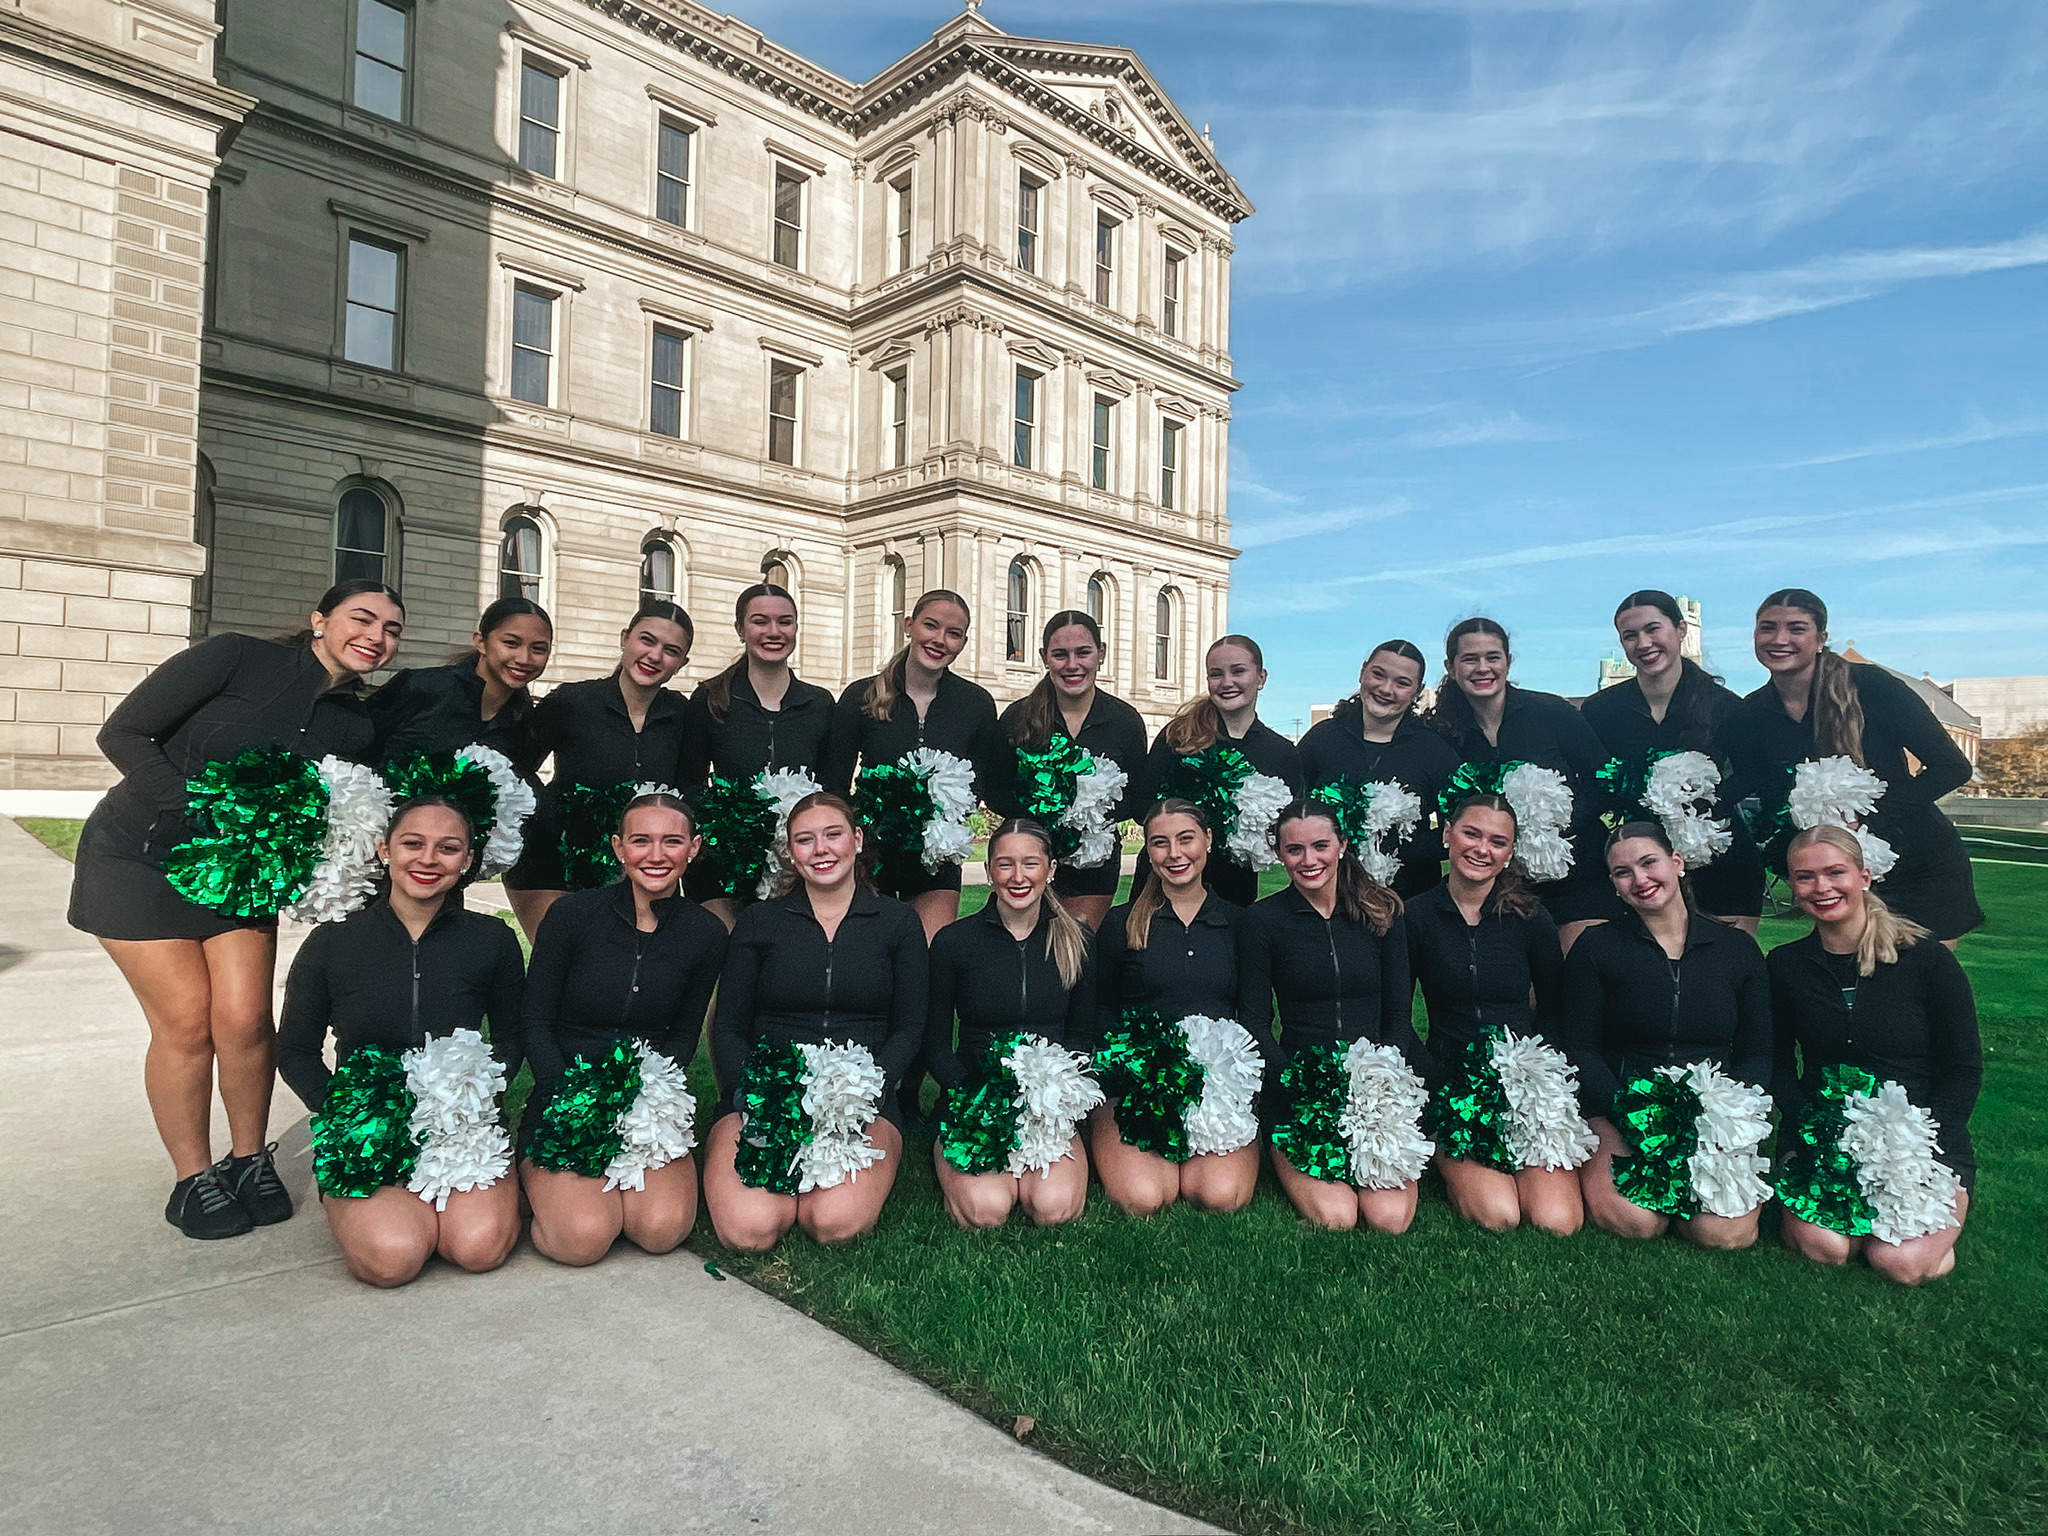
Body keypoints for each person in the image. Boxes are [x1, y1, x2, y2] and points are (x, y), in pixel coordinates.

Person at [69, 578, 404, 1240]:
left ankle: (249, 1158)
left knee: (247, 1020)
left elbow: (343, 807)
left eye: (392, 629)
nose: (376, 636)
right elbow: (126, 734)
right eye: (362, 618)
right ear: (319, 619)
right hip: (139, 861)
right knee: (188, 1023)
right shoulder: (236, 657)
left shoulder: (355, 724)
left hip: (243, 879)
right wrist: (203, 815)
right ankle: (192, 1178)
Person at [277, 797, 526, 1287]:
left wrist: (472, 1102)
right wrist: (345, 1116)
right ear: (384, 849)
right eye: (413, 843)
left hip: (459, 1132)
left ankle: (449, 1202)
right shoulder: (333, 942)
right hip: (366, 1129)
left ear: (468, 860)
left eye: (448, 848)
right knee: (395, 1258)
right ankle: (384, 1208)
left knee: (478, 1247)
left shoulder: (492, 939)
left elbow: (512, 1039)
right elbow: (295, 1051)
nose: (428, 860)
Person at [703, 794, 928, 1250]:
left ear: (857, 840)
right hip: (767, 1096)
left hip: (860, 1101)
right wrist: (756, 1094)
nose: (820, 850)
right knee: (751, 1229)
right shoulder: (758, 922)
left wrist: (869, 1093)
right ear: (789, 852)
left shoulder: (898, 922)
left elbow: (909, 1027)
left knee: (832, 1222)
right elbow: (728, 1027)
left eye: (833, 835)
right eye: (804, 840)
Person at [519, 794, 729, 1265]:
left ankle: (607, 1189)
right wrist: (567, 1094)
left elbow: (682, 1035)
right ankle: (541, 1191)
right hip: (566, 1096)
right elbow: (535, 1021)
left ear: (693, 848)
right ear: (618, 847)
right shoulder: (572, 916)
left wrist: (650, 1102)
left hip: (647, 1105)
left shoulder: (707, 933)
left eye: (671, 841)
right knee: (583, 1238)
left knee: (661, 1230)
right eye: (641, 841)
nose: (656, 855)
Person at [1770, 825, 1980, 1285]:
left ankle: (1926, 1231)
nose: (1822, 887)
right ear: (1793, 886)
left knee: (1898, 1263)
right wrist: (1810, 1129)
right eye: (1805, 877)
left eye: (1835, 872)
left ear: (1864, 876)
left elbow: (1963, 1068)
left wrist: (1927, 1142)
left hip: (1918, 1142)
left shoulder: (1926, 960)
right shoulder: (1784, 965)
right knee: (1827, 1249)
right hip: (1822, 1135)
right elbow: (1778, 1067)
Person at [1720, 588, 1982, 943]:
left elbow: (1952, 767)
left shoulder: (1871, 687)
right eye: (1768, 628)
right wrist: (1689, 805)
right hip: (1832, 876)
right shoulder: (1752, 713)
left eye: (1796, 628)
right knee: (1845, 988)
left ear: (1820, 638)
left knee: (1917, 989)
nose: (1779, 639)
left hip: (1917, 866)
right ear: (1754, 636)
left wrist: (1869, 816)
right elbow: (1754, 781)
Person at [1560, 822, 1774, 1249]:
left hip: (1712, 1114)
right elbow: (1580, 1047)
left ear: (1677, 863)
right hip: (1624, 1108)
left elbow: (1758, 1051)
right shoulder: (1596, 947)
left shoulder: (1737, 949)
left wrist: (1729, 1115)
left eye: (1648, 863)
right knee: (1635, 1221)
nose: (1640, 879)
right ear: (1614, 886)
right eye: (1623, 872)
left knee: (1723, 1234)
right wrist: (1625, 1109)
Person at [1238, 802, 1430, 1233]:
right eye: (1295, 850)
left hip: (1375, 1090)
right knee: (1336, 1216)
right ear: (1279, 853)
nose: (1309, 861)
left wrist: (1382, 1087)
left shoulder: (1383, 913)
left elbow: (1399, 1018)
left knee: (1390, 1219)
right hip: (1300, 1087)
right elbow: (1254, 1022)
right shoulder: (1262, 921)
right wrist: (1296, 1086)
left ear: (1342, 845)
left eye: (1321, 846)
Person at [1406, 793, 1588, 1235]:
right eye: (1471, 833)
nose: (1481, 849)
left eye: (1497, 841)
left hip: (1527, 1082)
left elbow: (1554, 1009)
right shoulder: (1414, 915)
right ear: (1448, 835)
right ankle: (1448, 1154)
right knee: (1498, 1215)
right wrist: (1433, 1080)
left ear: (1509, 853)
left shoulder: (1531, 916)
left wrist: (1544, 1077)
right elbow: (1396, 1015)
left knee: (1557, 1221)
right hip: (1454, 1081)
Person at [1090, 800, 1268, 1218]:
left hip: (1217, 1089)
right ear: (1148, 852)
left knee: (1219, 1195)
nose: (1175, 854)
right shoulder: (1121, 924)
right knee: (1145, 1196)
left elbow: (1256, 1018)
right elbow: (1100, 1013)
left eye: (1186, 839)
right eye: (1160, 843)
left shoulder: (1242, 924)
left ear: (1208, 840)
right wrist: (1132, 1071)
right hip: (1137, 1087)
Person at [925, 820, 1098, 1230]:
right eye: (1005, 865)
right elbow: (934, 1045)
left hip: (1049, 1109)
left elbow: (1082, 1036)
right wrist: (973, 1096)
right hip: (975, 1101)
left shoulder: (1079, 939)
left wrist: (1057, 1098)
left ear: (1051, 869)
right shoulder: (953, 943)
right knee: (987, 1210)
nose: (1018, 877)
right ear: (988, 872)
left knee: (1053, 1208)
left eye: (1031, 864)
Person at [501, 602, 695, 943]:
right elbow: (515, 770)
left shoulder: (685, 716)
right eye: (646, 640)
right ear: (625, 639)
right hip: (555, 866)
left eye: (670, 651)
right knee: (568, 967)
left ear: (682, 663)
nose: (654, 655)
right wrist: (556, 816)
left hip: (643, 868)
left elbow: (689, 792)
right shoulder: (572, 702)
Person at [819, 588, 1001, 938]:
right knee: (871, 958)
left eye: (953, 634)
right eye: (930, 626)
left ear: (963, 642)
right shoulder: (861, 696)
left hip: (936, 860)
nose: (940, 640)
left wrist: (943, 823)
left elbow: (978, 783)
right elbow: (835, 783)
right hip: (872, 856)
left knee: (928, 957)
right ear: (909, 625)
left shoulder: (975, 704)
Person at [1578, 591, 1765, 931]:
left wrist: (1700, 806)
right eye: (1630, 636)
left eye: (1653, 629)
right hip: (1638, 871)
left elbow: (1753, 774)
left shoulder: (1727, 707)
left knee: (1725, 974)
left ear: (1680, 630)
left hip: (1721, 861)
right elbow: (1594, 782)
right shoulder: (1600, 712)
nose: (1644, 643)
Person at [1424, 617, 1611, 951]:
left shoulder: (1552, 712)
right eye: (1470, 659)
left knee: (1580, 981)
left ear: (1508, 662)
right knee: (1522, 997)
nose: (1483, 668)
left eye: (1493, 657)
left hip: (1577, 875)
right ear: (1450, 667)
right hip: (1497, 889)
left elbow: (1605, 781)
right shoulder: (1440, 733)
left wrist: (1553, 823)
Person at [678, 583, 835, 929]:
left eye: (785, 622)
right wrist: (729, 829)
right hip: (725, 866)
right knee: (728, 963)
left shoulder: (820, 703)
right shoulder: (709, 699)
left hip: (799, 864)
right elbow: (689, 784)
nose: (773, 632)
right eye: (760, 622)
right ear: (740, 629)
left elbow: (831, 789)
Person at [990, 610, 1148, 931]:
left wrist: (1090, 812)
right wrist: (1044, 811)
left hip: (1094, 863)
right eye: (1060, 654)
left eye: (1083, 652)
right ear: (1044, 657)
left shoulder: (1124, 721)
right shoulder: (1016, 718)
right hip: (1027, 863)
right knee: (1026, 953)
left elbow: (1137, 796)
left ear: (1100, 653)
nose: (1072, 665)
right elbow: (996, 790)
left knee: (1081, 955)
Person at [1136, 634, 1304, 908]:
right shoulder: (1178, 737)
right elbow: (1141, 805)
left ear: (1261, 677)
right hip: (1162, 887)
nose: (1227, 682)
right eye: (1216, 674)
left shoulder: (1282, 754)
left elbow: (1288, 831)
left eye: (1238, 671)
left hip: (1233, 895)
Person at [1297, 640, 1461, 898]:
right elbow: (1293, 812)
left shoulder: (1435, 752)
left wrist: (1396, 846)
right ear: (1363, 672)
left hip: (1407, 903)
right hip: (1325, 899)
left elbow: (1461, 827)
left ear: (1417, 691)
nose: (1386, 689)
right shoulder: (1321, 739)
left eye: (1402, 683)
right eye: (1378, 674)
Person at [367, 596, 552, 769]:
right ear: (481, 642)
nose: (524, 658)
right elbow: (357, 750)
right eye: (511, 643)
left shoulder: (527, 724)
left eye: (538, 649)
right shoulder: (423, 687)